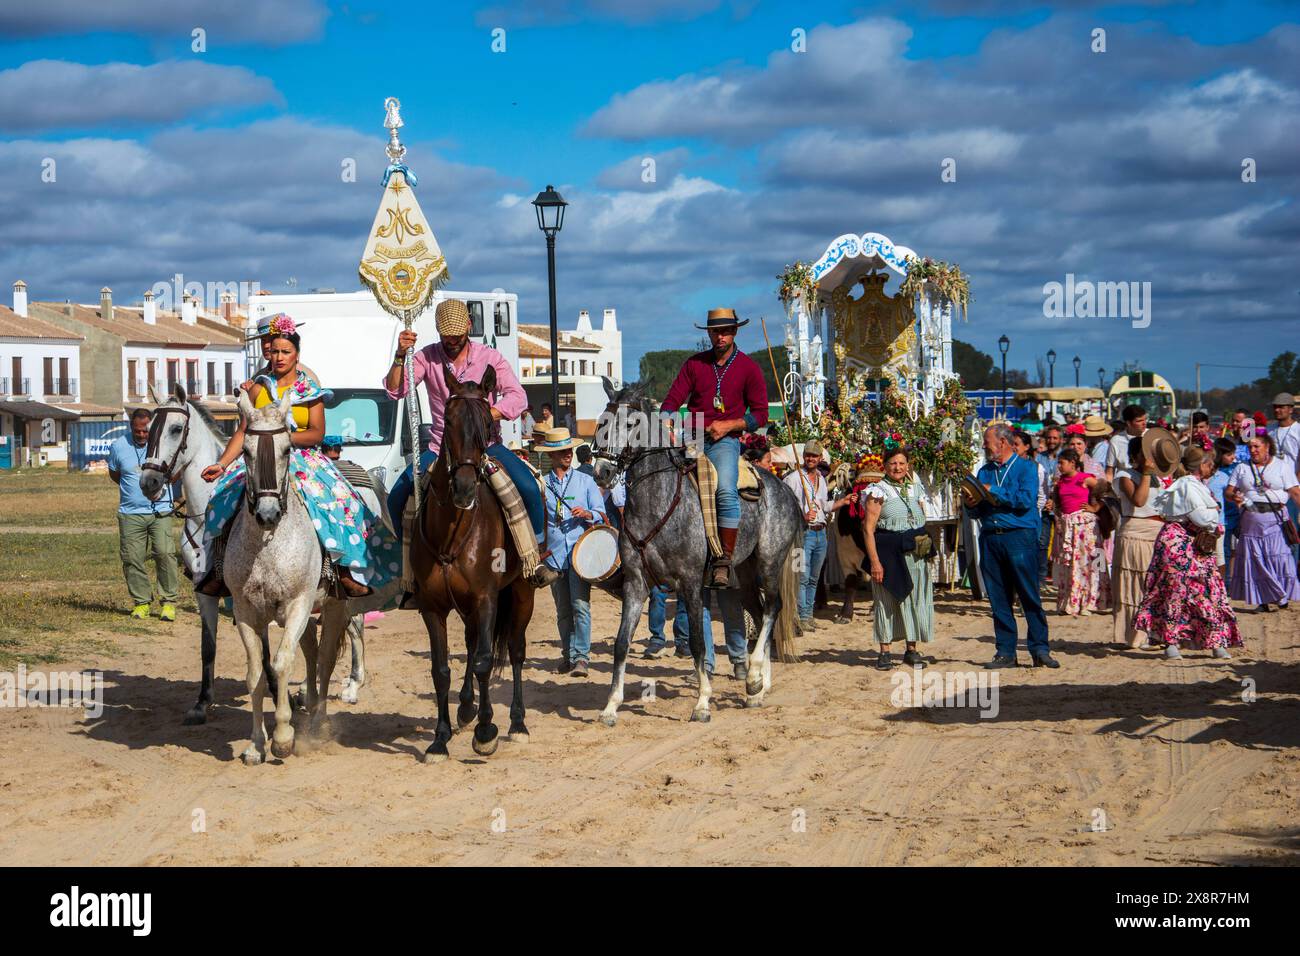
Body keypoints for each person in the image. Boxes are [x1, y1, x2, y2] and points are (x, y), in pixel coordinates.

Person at [200, 316, 398, 598]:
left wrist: (280, 438)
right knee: (222, 499)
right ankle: (219, 570)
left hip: (303, 460)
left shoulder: (310, 392)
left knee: (342, 503)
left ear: (296, 355)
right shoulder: (257, 389)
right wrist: (222, 464)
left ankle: (342, 572)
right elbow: (243, 431)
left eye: (286, 352)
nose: (279, 357)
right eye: (275, 351)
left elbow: (317, 433)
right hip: (261, 458)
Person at [384, 299, 556, 588]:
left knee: (528, 486)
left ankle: (536, 556)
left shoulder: (490, 358)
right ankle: (406, 571)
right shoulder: (426, 357)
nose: (451, 342)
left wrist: (487, 413)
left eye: (458, 336)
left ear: (469, 327)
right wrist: (400, 356)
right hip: (441, 448)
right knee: (396, 495)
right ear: (438, 332)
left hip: (487, 445)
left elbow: (518, 396)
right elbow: (395, 390)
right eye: (446, 337)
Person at [660, 307, 769, 588]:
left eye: (726, 331)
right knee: (668, 485)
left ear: (735, 332)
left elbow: (760, 416)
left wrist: (730, 425)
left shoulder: (749, 367)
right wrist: (668, 420)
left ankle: (723, 559)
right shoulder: (694, 364)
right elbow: (672, 401)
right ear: (709, 333)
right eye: (715, 331)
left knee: (724, 489)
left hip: (725, 442)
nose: (720, 336)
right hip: (693, 436)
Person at [961, 424, 1055, 668]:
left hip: (1019, 537)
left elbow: (1025, 500)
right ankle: (1005, 651)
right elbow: (977, 511)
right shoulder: (984, 472)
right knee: (998, 598)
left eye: (987, 441)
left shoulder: (1027, 468)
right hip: (991, 537)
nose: (984, 445)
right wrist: (971, 503)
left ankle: (1040, 649)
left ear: (1002, 442)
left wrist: (996, 492)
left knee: (1029, 595)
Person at [1133, 470, 1241, 659]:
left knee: (1202, 592)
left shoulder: (1192, 486)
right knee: (1177, 593)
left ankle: (1211, 642)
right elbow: (1205, 519)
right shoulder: (1188, 486)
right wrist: (1213, 513)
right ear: (1203, 466)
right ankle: (1173, 643)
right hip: (1180, 544)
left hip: (1192, 544)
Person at [537, 427, 607, 677]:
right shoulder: (542, 484)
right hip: (555, 557)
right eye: (562, 451)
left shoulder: (586, 481)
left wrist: (588, 513)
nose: (568, 454)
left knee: (580, 606)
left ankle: (581, 658)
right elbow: (539, 521)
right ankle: (567, 656)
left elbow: (601, 514)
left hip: (580, 555)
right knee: (563, 611)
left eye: (569, 450)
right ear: (552, 456)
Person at [863, 447, 932, 670]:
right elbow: (868, 529)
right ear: (885, 466)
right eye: (893, 463)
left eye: (902, 463)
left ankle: (911, 650)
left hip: (915, 555)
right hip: (888, 554)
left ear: (908, 466)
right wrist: (875, 562)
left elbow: (921, 519)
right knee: (887, 601)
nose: (898, 467)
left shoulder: (915, 488)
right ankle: (885, 653)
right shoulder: (877, 491)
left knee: (914, 601)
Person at [108, 407, 179, 621]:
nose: (141, 435)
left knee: (165, 554)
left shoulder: (162, 445)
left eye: (145, 431)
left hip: (160, 511)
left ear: (152, 427)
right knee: (132, 559)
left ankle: (168, 602)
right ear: (131, 427)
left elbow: (176, 473)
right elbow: (115, 474)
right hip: (130, 513)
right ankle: (141, 603)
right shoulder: (118, 446)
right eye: (137, 431)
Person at [1111, 429, 1179, 648]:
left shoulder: (1160, 481)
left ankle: (1158, 632)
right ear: (1135, 456)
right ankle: (1136, 635)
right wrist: (1148, 475)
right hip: (1135, 533)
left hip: (1158, 533)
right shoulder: (1125, 476)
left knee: (1157, 586)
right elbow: (1139, 501)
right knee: (1136, 585)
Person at [783, 440, 855, 630]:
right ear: (803, 457)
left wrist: (843, 502)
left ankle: (807, 615)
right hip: (801, 533)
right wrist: (802, 515)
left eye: (814, 456)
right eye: (808, 455)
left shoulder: (822, 480)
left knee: (814, 577)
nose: (810, 458)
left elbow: (824, 506)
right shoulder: (792, 479)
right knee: (801, 576)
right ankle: (799, 616)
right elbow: (784, 507)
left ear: (820, 458)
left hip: (820, 534)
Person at [1225, 433, 1300, 611]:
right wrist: (1234, 496)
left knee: (1277, 558)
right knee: (1256, 561)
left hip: (1276, 520)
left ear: (1267, 446)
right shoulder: (1242, 467)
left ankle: (1280, 596)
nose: (1253, 450)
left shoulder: (1282, 466)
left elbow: (1295, 492)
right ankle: (1263, 600)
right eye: (1250, 447)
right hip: (1250, 522)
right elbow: (1228, 492)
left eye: (1257, 446)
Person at [1051, 448, 1110, 616]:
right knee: (1071, 566)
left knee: (1089, 564)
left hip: (1085, 528)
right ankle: (1071, 602)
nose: (1059, 466)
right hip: (1068, 528)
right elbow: (1058, 503)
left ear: (1073, 463)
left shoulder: (1085, 479)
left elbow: (1107, 492)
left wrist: (1096, 507)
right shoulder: (1060, 482)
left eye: (1062, 463)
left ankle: (1089, 602)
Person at [1268, 392, 1300, 563]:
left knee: (1291, 531)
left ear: (1290, 409)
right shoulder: (1270, 430)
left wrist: (1293, 483)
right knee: (1273, 533)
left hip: (1292, 489)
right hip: (1272, 489)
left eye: (1281, 407)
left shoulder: (1298, 430)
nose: (1277, 410)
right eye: (1275, 407)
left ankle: (1293, 574)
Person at [1206, 437, 1240, 583]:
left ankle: (1224, 585)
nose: (1233, 457)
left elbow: (1232, 496)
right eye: (1228, 454)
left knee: (1223, 554)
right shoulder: (1205, 476)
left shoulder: (1225, 476)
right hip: (1206, 521)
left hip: (1223, 521)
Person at [1105, 405, 1148, 482]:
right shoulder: (1116, 441)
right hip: (1126, 486)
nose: (1144, 423)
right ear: (1128, 423)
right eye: (1139, 421)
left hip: (1151, 484)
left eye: (1145, 419)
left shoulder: (1151, 435)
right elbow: (1110, 471)